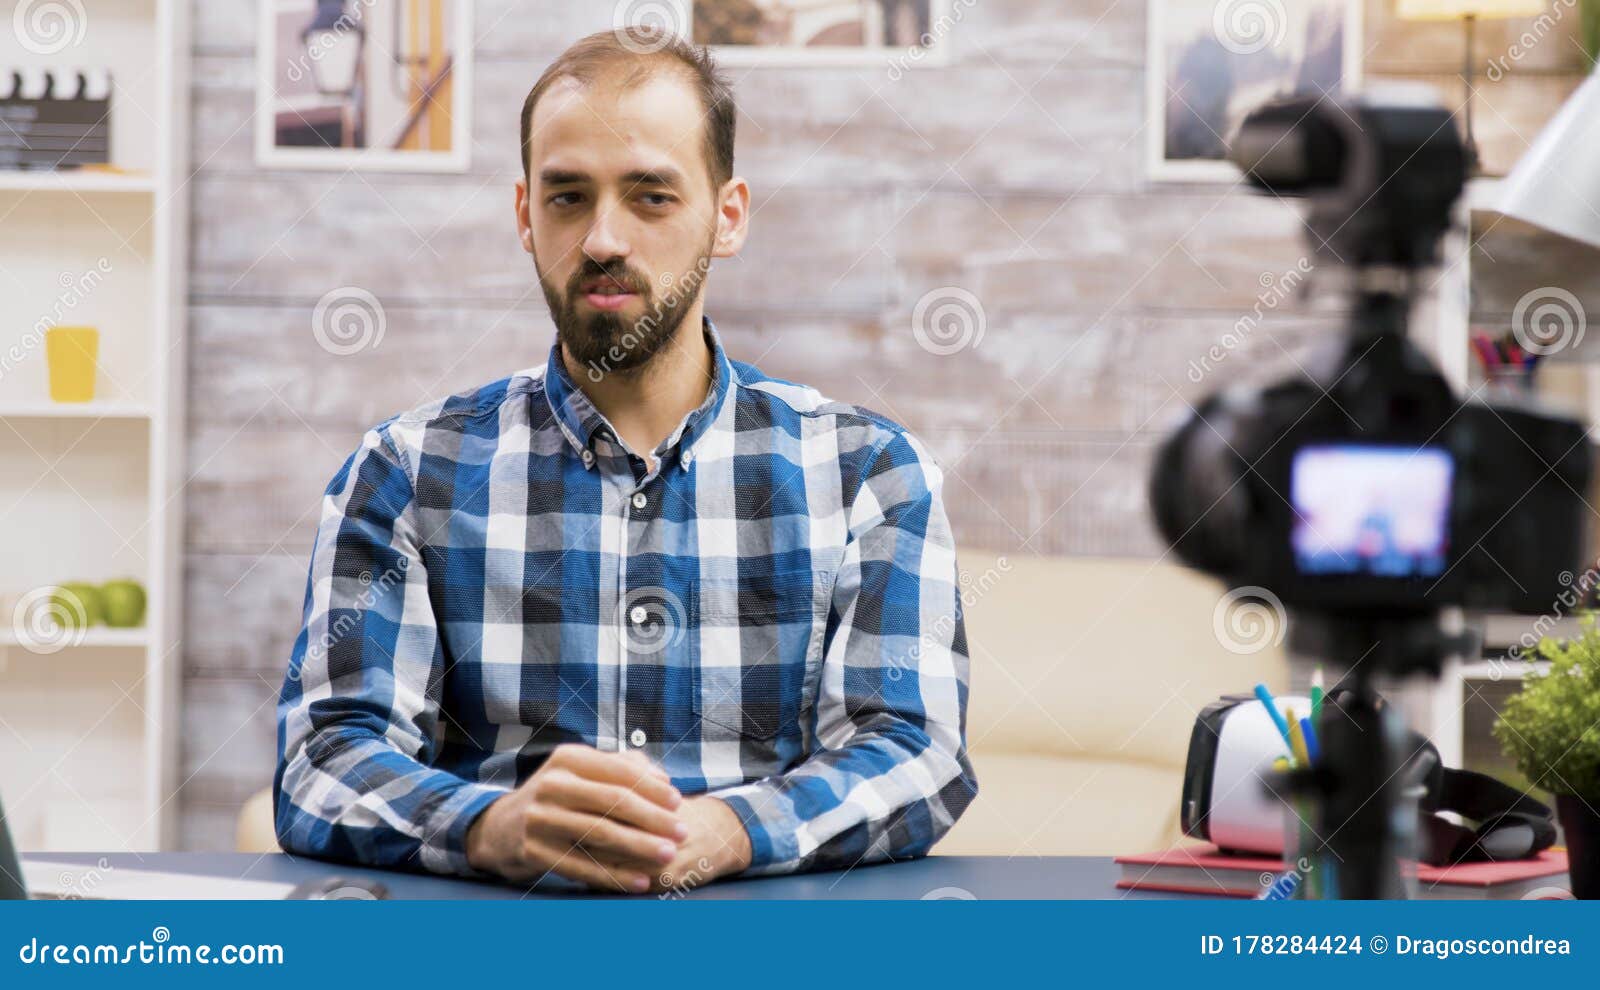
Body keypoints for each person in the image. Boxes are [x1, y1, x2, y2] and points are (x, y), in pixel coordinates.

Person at [274, 27, 977, 894]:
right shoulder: (405, 473)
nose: (604, 238)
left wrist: (722, 832)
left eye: (651, 196)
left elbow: (913, 749)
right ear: (526, 216)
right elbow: (326, 754)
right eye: (569, 197)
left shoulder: (868, 472)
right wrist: (492, 827)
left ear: (727, 216)